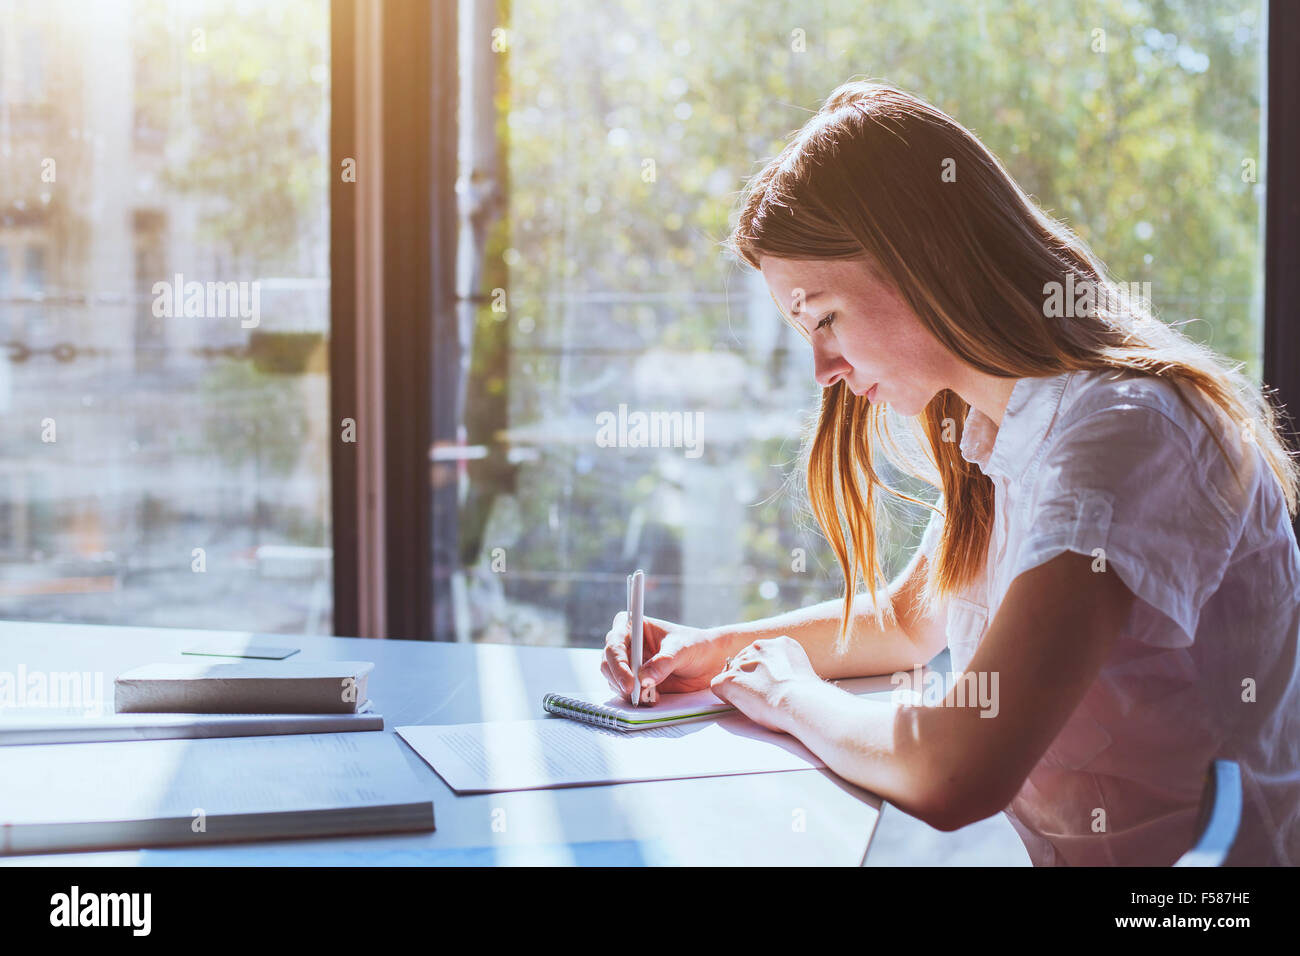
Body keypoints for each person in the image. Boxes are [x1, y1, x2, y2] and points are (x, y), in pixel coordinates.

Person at [601, 81, 1300, 866]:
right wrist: (711, 647)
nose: (823, 368)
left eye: (824, 317)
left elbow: (952, 770)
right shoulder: (997, 430)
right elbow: (906, 624)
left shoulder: (1123, 437)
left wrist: (789, 695)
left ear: (923, 260)